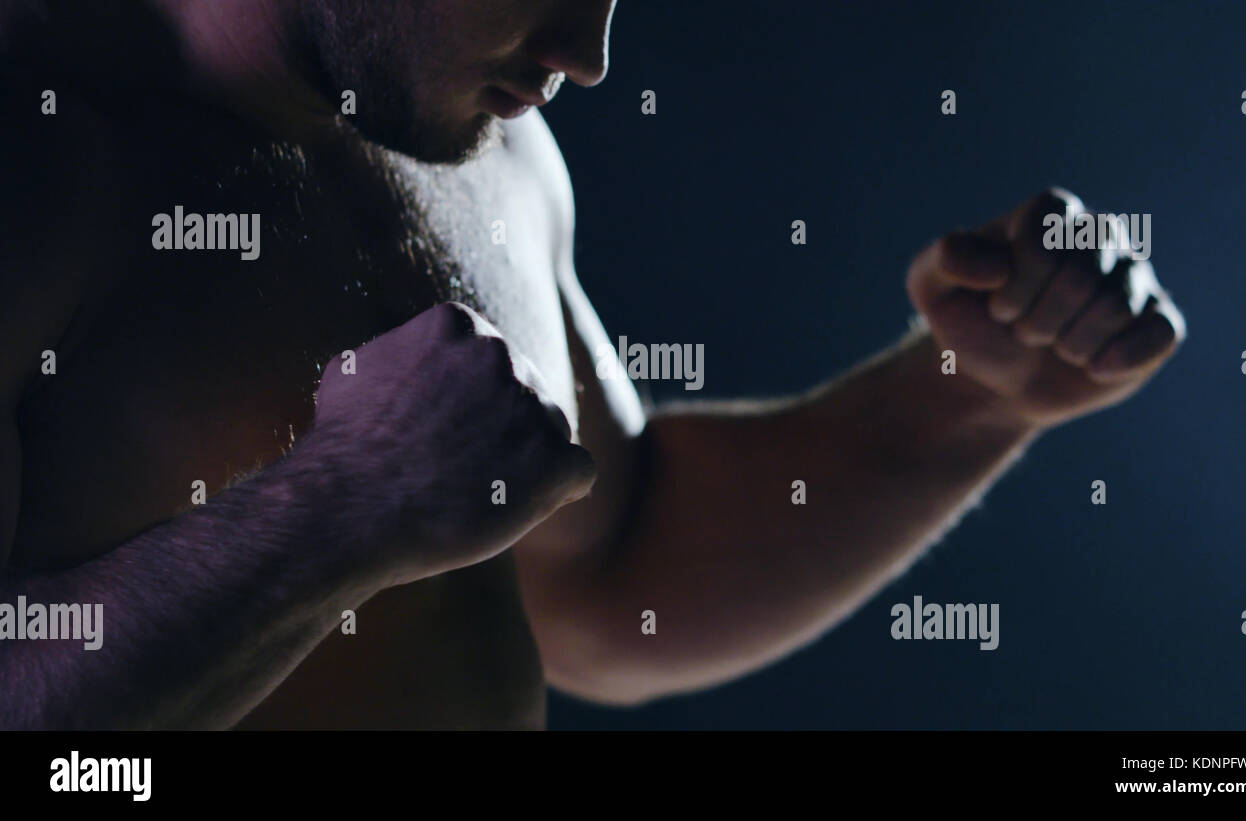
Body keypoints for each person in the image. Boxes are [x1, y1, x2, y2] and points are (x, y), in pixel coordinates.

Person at [0, 0, 1184, 729]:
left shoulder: (483, 143)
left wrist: (973, 394)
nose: (589, 49)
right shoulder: (37, 144)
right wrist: (337, 512)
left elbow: (608, 580)